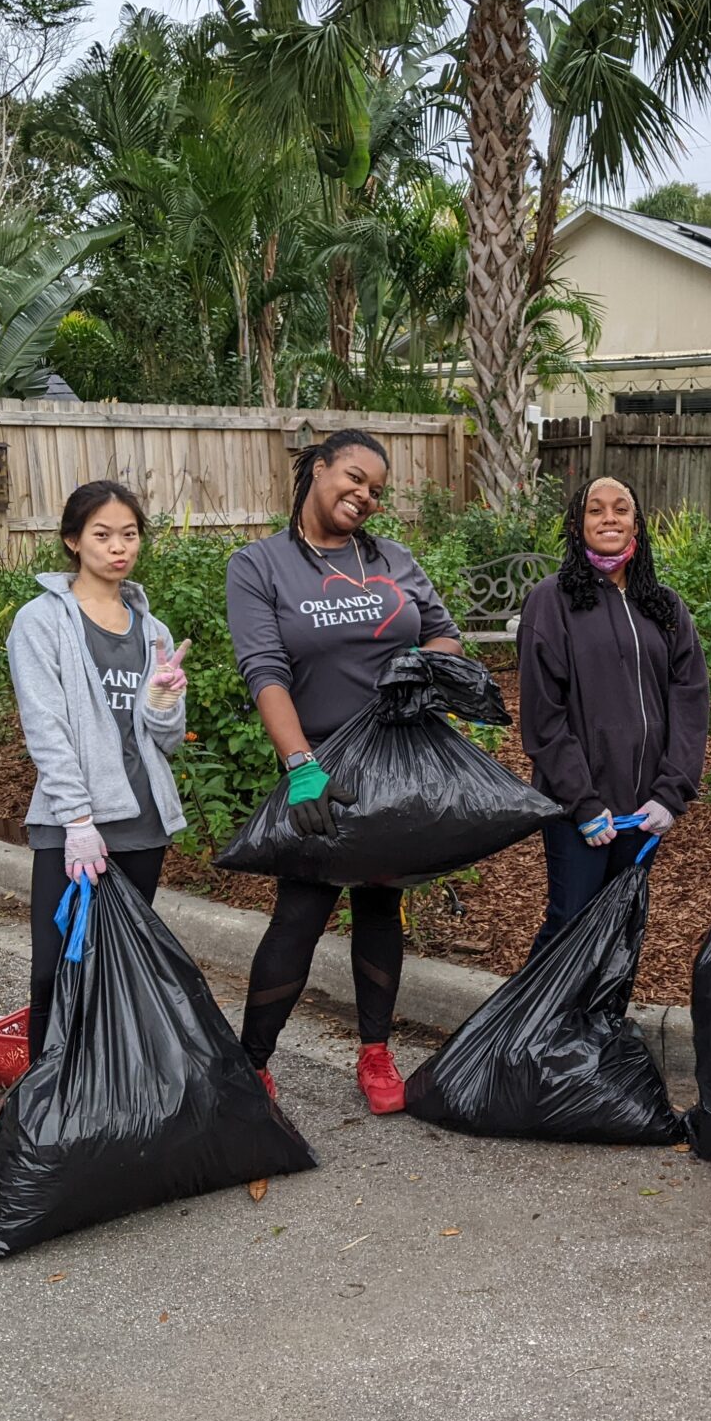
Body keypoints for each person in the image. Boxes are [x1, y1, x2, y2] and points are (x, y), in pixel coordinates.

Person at [227, 429, 462, 1114]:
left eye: (377, 491)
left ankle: (376, 1051)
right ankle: (254, 1064)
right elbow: (264, 670)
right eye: (354, 478)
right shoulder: (260, 565)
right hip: (322, 764)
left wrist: (425, 669)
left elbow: (441, 631)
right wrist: (301, 765)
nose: (364, 496)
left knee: (382, 904)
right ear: (318, 468)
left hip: (394, 758)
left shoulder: (392, 559)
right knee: (299, 914)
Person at [7, 479, 190, 1055]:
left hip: (143, 822)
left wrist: (164, 699)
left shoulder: (152, 629)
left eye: (129, 535)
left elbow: (164, 740)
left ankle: (108, 1100)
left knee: (121, 970)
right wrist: (78, 820)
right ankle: (47, 1099)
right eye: (103, 534)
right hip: (74, 824)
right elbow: (46, 728)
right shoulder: (41, 622)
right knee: (55, 968)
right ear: (73, 541)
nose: (119, 547)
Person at [518, 475, 709, 960]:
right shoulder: (552, 600)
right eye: (595, 509)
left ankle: (604, 1028)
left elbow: (690, 700)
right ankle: (541, 1032)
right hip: (578, 810)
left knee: (623, 924)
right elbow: (544, 715)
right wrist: (580, 803)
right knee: (571, 922)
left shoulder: (664, 606)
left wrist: (671, 793)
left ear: (636, 525)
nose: (609, 518)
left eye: (620, 509)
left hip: (643, 812)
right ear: (577, 526)